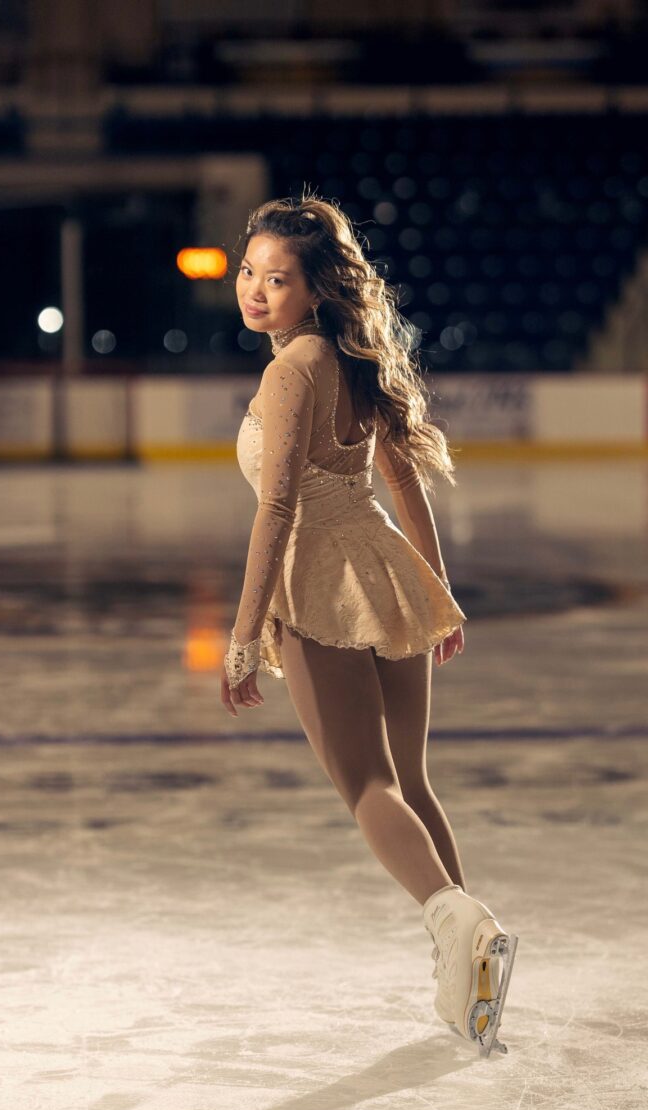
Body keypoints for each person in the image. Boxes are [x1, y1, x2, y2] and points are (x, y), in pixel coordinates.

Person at [220, 194, 518, 1057]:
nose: (256, 290)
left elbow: (277, 506)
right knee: (412, 782)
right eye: (249, 272)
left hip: (320, 574)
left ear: (315, 289)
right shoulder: (355, 354)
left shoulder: (291, 369)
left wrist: (245, 636)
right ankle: (472, 964)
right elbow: (401, 474)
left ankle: (457, 923)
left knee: (369, 788)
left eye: (278, 278)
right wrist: (435, 588)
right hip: (382, 562)